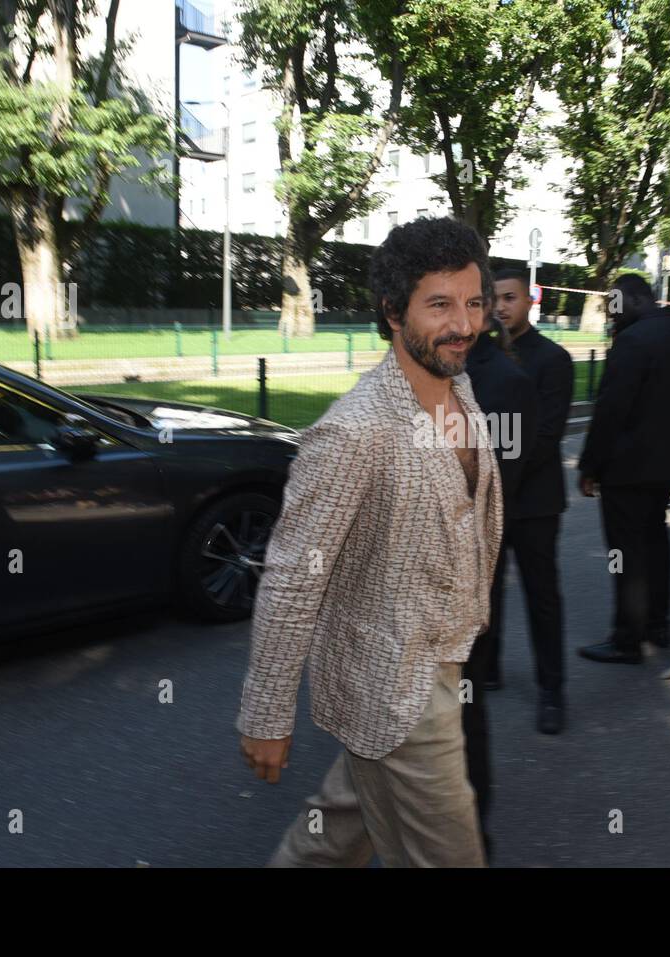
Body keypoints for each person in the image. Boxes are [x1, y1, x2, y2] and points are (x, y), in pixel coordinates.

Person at [236, 216, 503, 868]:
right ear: (392, 311)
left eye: (473, 302)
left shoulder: (463, 390)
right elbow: (294, 577)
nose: (464, 324)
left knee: (336, 833)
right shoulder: (355, 431)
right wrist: (266, 713)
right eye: (439, 305)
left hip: (441, 655)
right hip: (398, 680)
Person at [577, 273, 670, 664]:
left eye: (615, 303)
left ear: (635, 300)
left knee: (624, 553)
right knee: (655, 543)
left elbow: (611, 409)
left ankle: (627, 637)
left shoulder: (631, 341)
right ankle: (658, 624)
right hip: (668, 462)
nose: (611, 312)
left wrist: (589, 466)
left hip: (626, 468)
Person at [473, 268, 574, 733]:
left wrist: (498, 480)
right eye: (493, 299)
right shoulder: (477, 356)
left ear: (529, 302)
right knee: (485, 592)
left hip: (534, 502)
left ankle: (552, 691)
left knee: (542, 596)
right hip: (488, 498)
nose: (500, 307)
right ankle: (486, 669)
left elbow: (545, 435)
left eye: (509, 298)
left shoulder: (552, 359)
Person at [462, 312, 537, 840]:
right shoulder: (424, 373)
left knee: (460, 706)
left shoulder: (504, 384)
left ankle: (469, 831)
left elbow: (494, 491)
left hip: (463, 575)